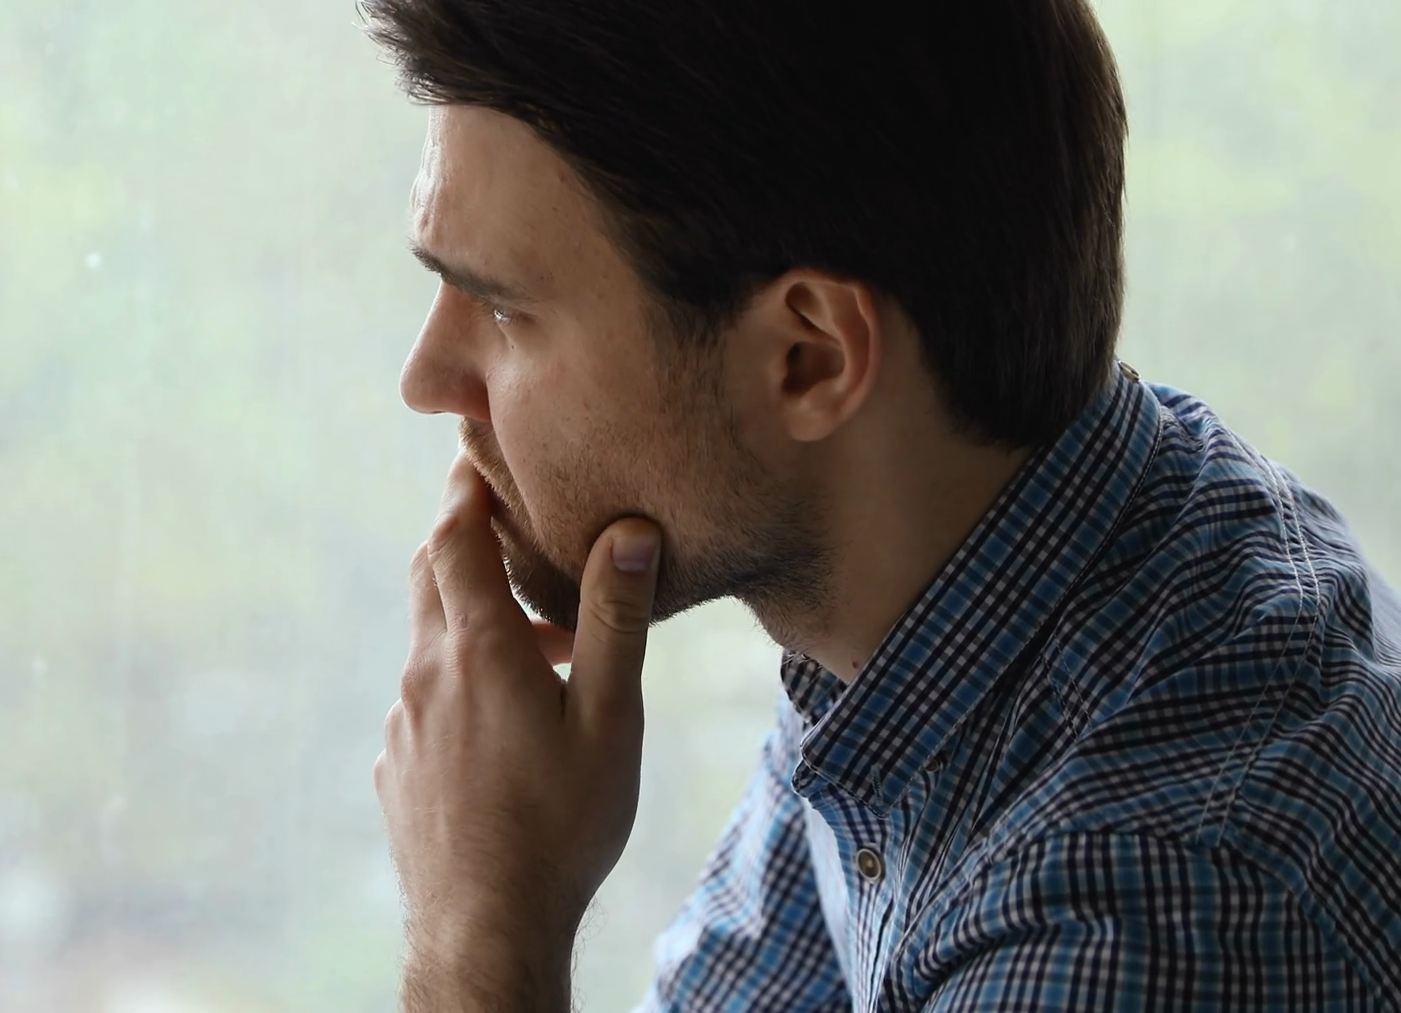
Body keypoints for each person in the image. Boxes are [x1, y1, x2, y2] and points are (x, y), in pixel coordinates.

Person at [361, 0, 1401, 1010]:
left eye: (502, 308)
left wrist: (481, 928)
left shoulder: (1155, 916)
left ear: (808, 358)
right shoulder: (929, 591)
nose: (425, 376)